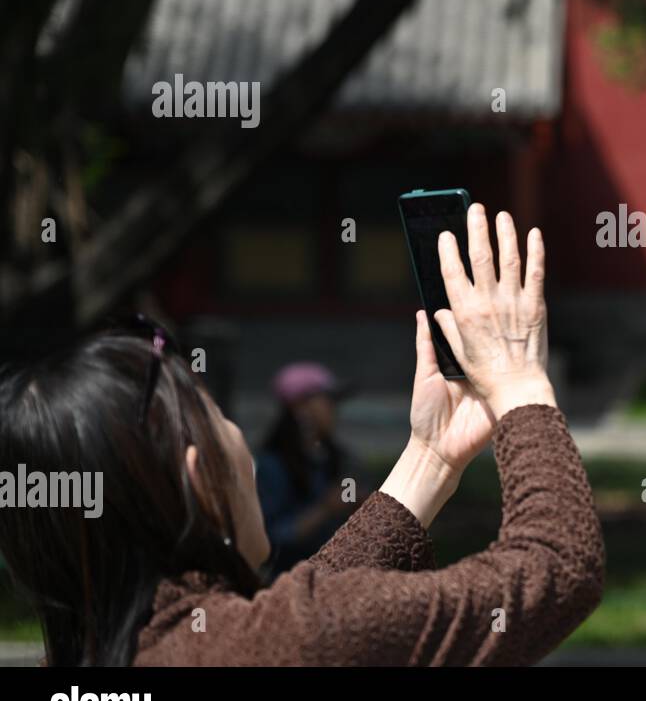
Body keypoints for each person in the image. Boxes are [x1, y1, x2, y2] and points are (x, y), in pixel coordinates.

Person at [0, 206, 604, 666]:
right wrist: (522, 382)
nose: (245, 450)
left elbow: (303, 620)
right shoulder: (271, 645)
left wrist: (430, 459)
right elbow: (558, 566)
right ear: (196, 478)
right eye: (217, 419)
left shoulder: (108, 646)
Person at [256, 361, 364, 575]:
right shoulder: (273, 464)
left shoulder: (336, 457)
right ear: (301, 407)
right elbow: (272, 538)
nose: (334, 410)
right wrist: (325, 509)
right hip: (289, 581)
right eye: (328, 401)